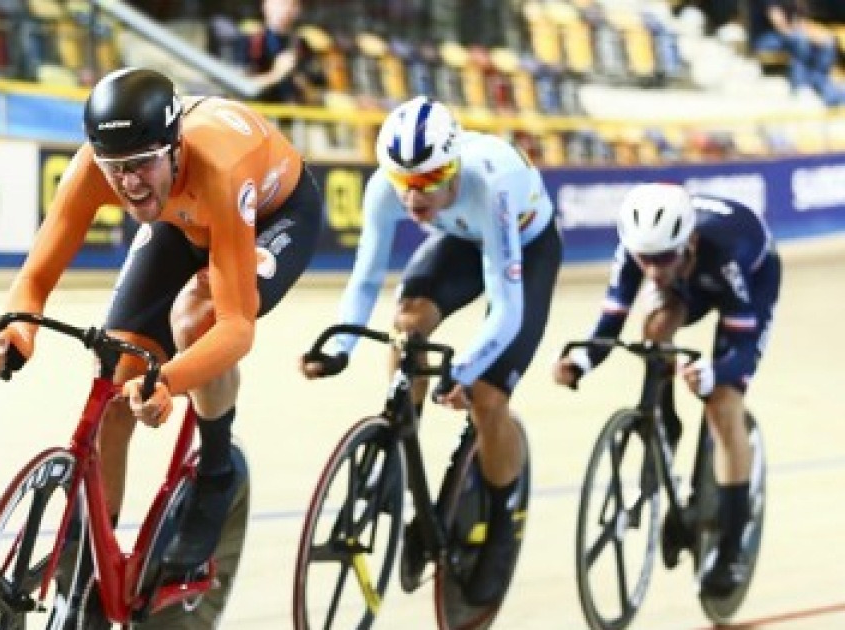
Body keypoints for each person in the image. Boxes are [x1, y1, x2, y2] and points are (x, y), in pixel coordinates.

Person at [0, 67, 323, 581]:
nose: (128, 182)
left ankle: (216, 472)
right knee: (115, 372)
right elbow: (35, 278)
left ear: (174, 147)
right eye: (115, 167)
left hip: (273, 216)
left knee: (198, 317)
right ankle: (88, 571)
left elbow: (235, 327)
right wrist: (17, 333)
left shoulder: (217, 166)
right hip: (184, 220)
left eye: (141, 165)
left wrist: (169, 380)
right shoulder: (97, 169)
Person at [300, 95, 562, 606]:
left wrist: (464, 370)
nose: (412, 198)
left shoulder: (493, 184)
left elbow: (506, 309)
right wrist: (342, 346)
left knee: (487, 397)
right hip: (461, 241)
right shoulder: (388, 184)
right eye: (403, 184)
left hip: (525, 250)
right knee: (408, 324)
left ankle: (502, 522)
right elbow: (367, 277)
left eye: (425, 182)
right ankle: (402, 433)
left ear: (453, 166)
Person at [553, 183, 780, 598]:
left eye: (663, 259)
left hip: (750, 282)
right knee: (654, 327)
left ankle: (730, 548)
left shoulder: (727, 256)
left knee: (722, 406)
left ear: (689, 240)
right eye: (646, 260)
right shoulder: (639, 249)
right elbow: (609, 323)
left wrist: (715, 374)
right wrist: (581, 362)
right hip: (690, 280)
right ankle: (665, 419)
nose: (653, 270)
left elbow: (744, 349)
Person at [748, 0, 843, 104]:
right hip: (765, 39)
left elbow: (800, 20)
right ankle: (801, 86)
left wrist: (816, 36)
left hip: (789, 34)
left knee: (827, 41)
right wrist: (805, 35)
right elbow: (777, 20)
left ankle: (822, 83)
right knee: (800, 40)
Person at [242, 0, 323, 104]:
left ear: (297, 9)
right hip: (261, 112)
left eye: (289, 4)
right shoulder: (250, 41)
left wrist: (305, 86)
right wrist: (275, 75)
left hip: (295, 114)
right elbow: (239, 85)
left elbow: (317, 90)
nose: (284, 9)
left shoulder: (303, 44)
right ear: (265, 6)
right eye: (278, 3)